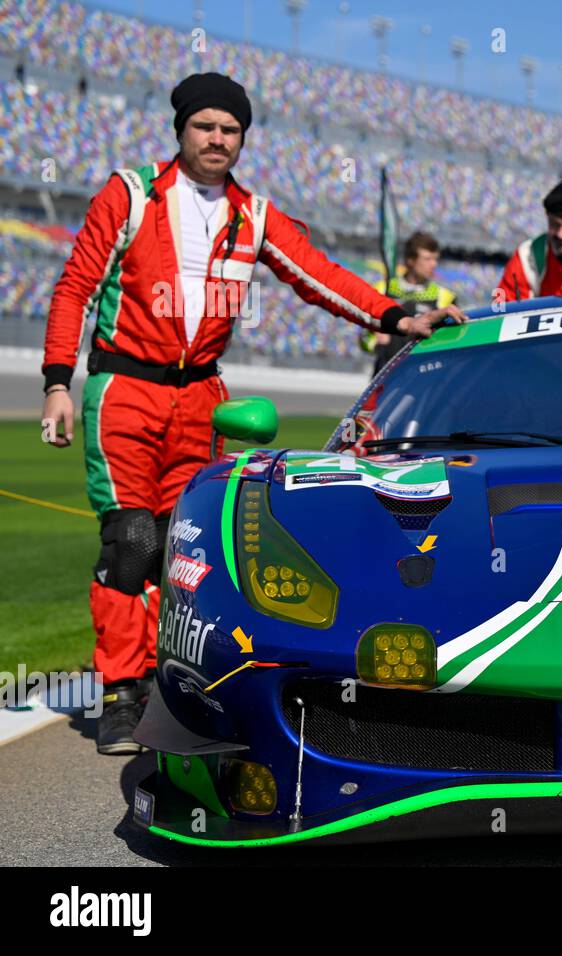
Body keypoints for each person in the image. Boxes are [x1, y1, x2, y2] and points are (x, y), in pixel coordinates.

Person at [39, 72, 463, 755]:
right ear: (181, 130)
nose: (217, 139)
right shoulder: (131, 194)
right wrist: (58, 380)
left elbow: (317, 274)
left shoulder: (253, 214)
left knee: (185, 547)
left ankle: (171, 679)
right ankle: (120, 693)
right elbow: (76, 286)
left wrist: (395, 315)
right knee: (131, 543)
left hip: (203, 396)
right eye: (205, 126)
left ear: (243, 139)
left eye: (230, 129)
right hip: (123, 388)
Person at [363, 231, 456, 376]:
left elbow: (452, 342)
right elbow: (365, 339)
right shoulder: (381, 289)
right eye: (427, 259)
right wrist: (375, 340)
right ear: (410, 260)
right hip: (384, 379)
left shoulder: (445, 297)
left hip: (423, 379)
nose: (434, 264)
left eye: (435, 259)